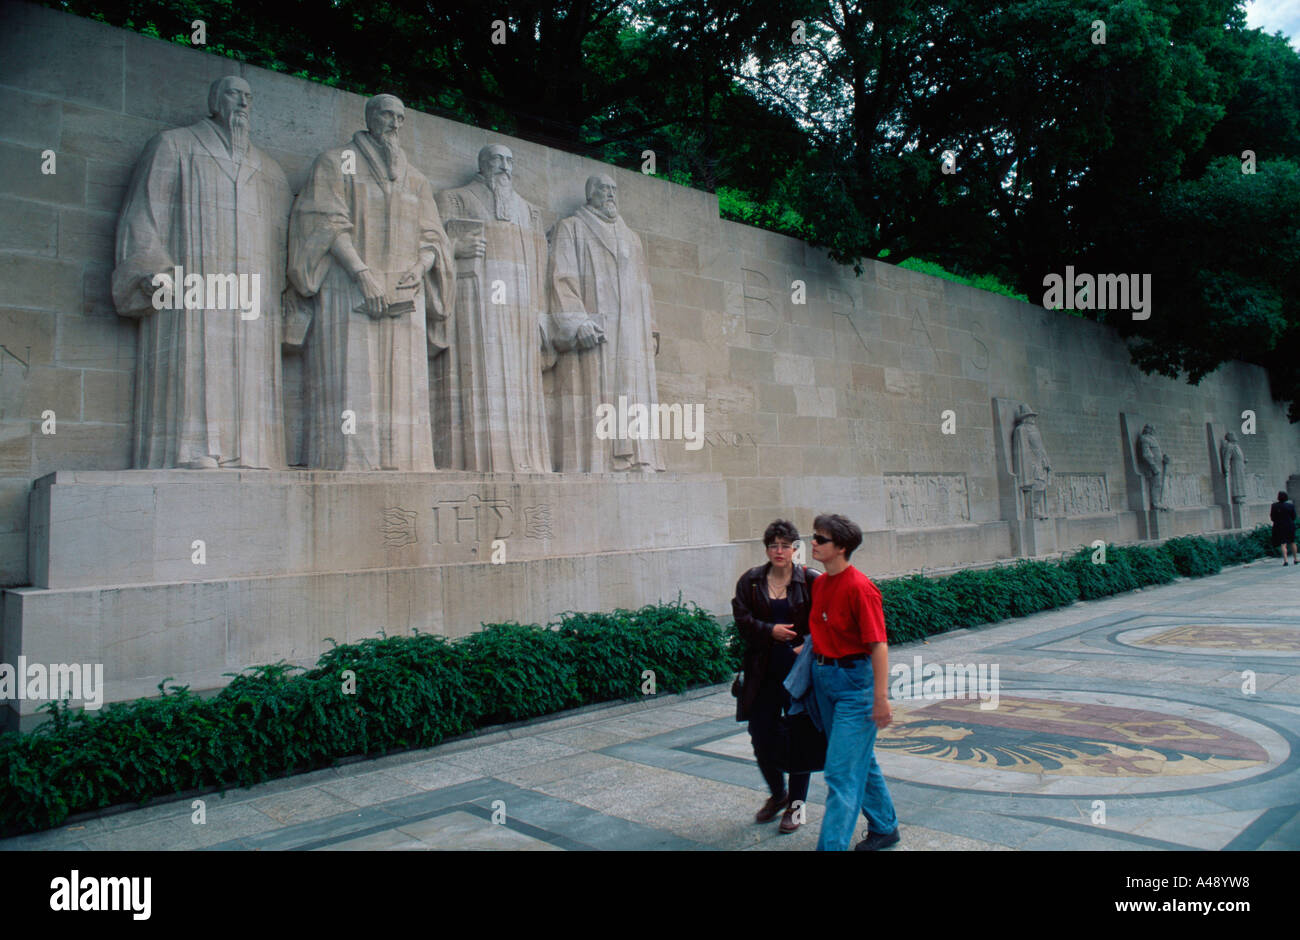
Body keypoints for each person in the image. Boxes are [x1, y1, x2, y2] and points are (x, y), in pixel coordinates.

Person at [112, 76, 292, 469]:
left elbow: (282, 241)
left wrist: (287, 298)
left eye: (249, 96)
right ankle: (193, 449)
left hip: (253, 289)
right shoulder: (175, 145)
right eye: (233, 94)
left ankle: (252, 450)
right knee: (197, 357)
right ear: (214, 100)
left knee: (249, 361)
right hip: (193, 279)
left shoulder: (269, 169)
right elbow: (145, 209)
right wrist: (150, 268)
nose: (242, 103)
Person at [288, 94, 455, 470]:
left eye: (400, 117)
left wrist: (421, 265)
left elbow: (434, 236)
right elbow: (324, 222)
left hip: (405, 294)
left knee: (404, 384)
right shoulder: (335, 162)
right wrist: (361, 273)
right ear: (369, 118)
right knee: (353, 377)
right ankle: (348, 462)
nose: (394, 123)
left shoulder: (415, 179)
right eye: (386, 114)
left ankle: (405, 462)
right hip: (348, 289)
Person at [807, 513, 900, 851]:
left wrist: (880, 697)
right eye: (814, 537)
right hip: (824, 679)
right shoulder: (820, 583)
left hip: (854, 685)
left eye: (820, 539)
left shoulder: (861, 588)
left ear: (841, 547)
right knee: (860, 760)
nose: (813, 543)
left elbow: (878, 644)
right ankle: (885, 826)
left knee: (840, 774)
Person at [732, 520, 819, 833]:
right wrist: (771, 631)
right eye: (773, 545)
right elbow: (741, 620)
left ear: (795, 548)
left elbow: (827, 620)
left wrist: (806, 645)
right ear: (766, 548)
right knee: (760, 735)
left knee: (799, 740)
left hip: (799, 676)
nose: (779, 551)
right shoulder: (752, 581)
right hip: (762, 673)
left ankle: (796, 807)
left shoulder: (810, 580)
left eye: (785, 545)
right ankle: (777, 793)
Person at [1271, 491, 1297, 565]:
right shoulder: (1290, 506)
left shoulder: (1274, 506)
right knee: (1292, 542)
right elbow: (1294, 517)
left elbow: (1272, 517)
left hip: (1279, 526)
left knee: (1283, 543)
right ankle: (1295, 559)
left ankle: (1286, 560)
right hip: (1289, 525)